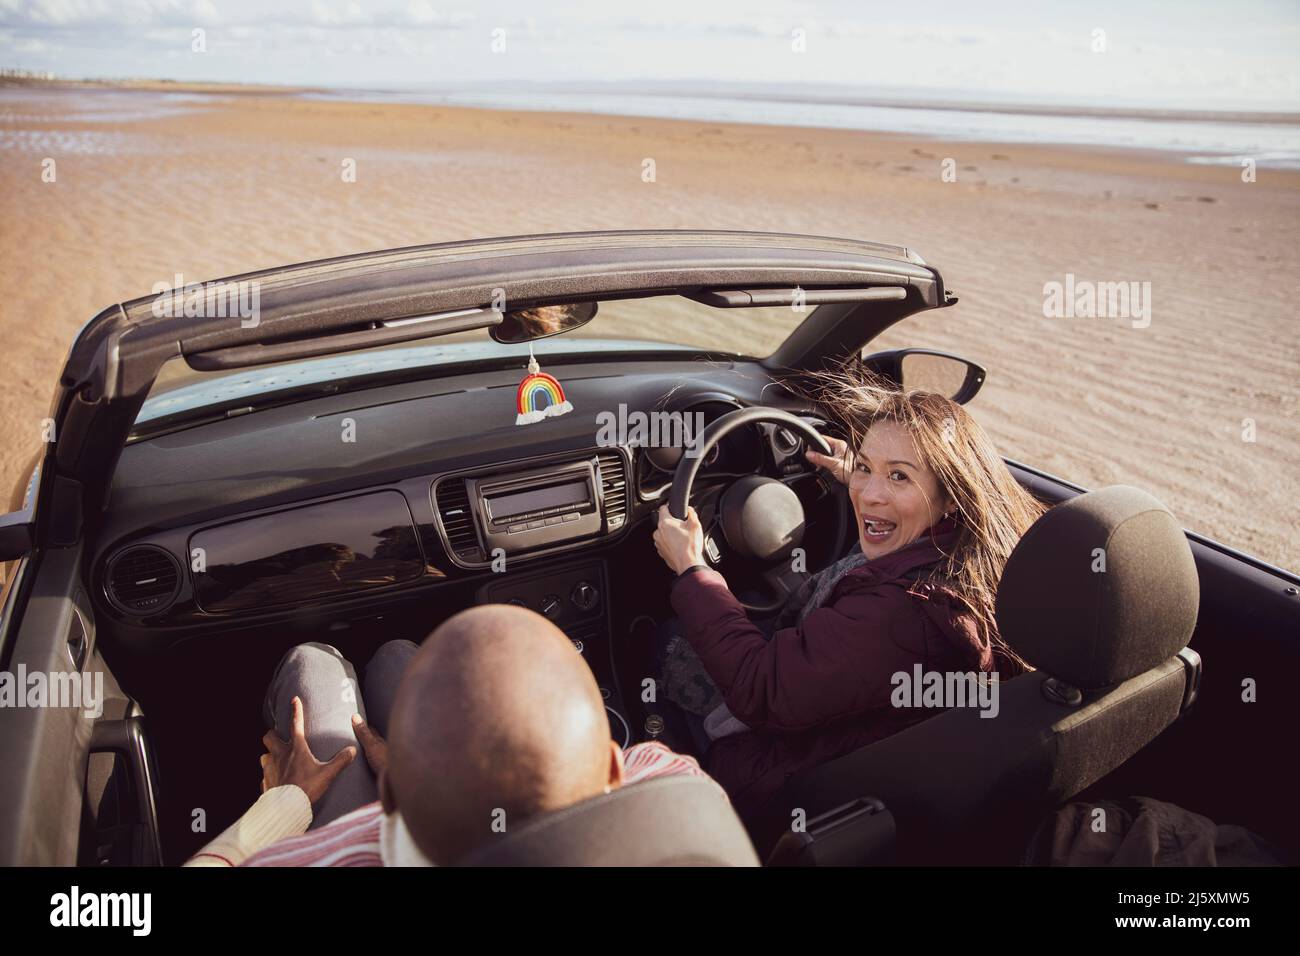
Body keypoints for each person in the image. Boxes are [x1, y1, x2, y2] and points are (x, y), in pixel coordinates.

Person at [651, 367, 1048, 817]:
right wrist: (856, 478)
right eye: (865, 467)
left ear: (952, 494)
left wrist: (692, 568)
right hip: (868, 752)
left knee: (667, 638)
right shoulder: (977, 553)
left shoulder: (907, 612)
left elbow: (759, 688)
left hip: (781, 781)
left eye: (899, 477)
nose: (870, 495)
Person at [185, 604, 712, 866]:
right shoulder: (675, 783)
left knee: (319, 665)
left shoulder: (308, 858)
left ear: (390, 800)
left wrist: (285, 800)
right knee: (396, 661)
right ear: (615, 767)